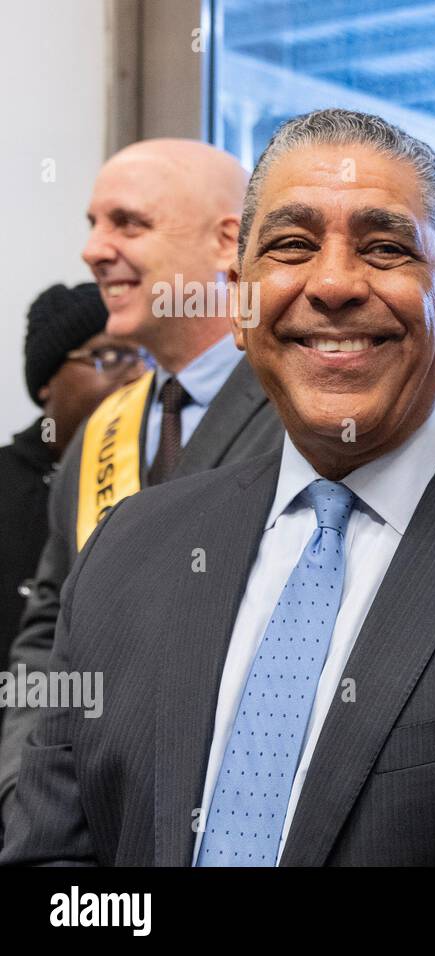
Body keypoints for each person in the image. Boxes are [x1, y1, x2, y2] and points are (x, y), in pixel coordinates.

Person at [0, 108, 435, 866]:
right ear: (239, 303)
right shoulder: (130, 543)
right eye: (291, 246)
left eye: (385, 248)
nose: (332, 284)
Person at [0, 140, 284, 838]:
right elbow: (47, 633)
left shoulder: (302, 410)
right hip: (86, 837)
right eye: (93, 224)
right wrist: (22, 788)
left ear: (227, 242)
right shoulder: (101, 431)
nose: (94, 250)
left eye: (127, 224)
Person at [0, 283, 145, 660]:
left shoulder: (158, 478)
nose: (137, 377)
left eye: (147, 358)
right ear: (47, 379)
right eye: (110, 355)